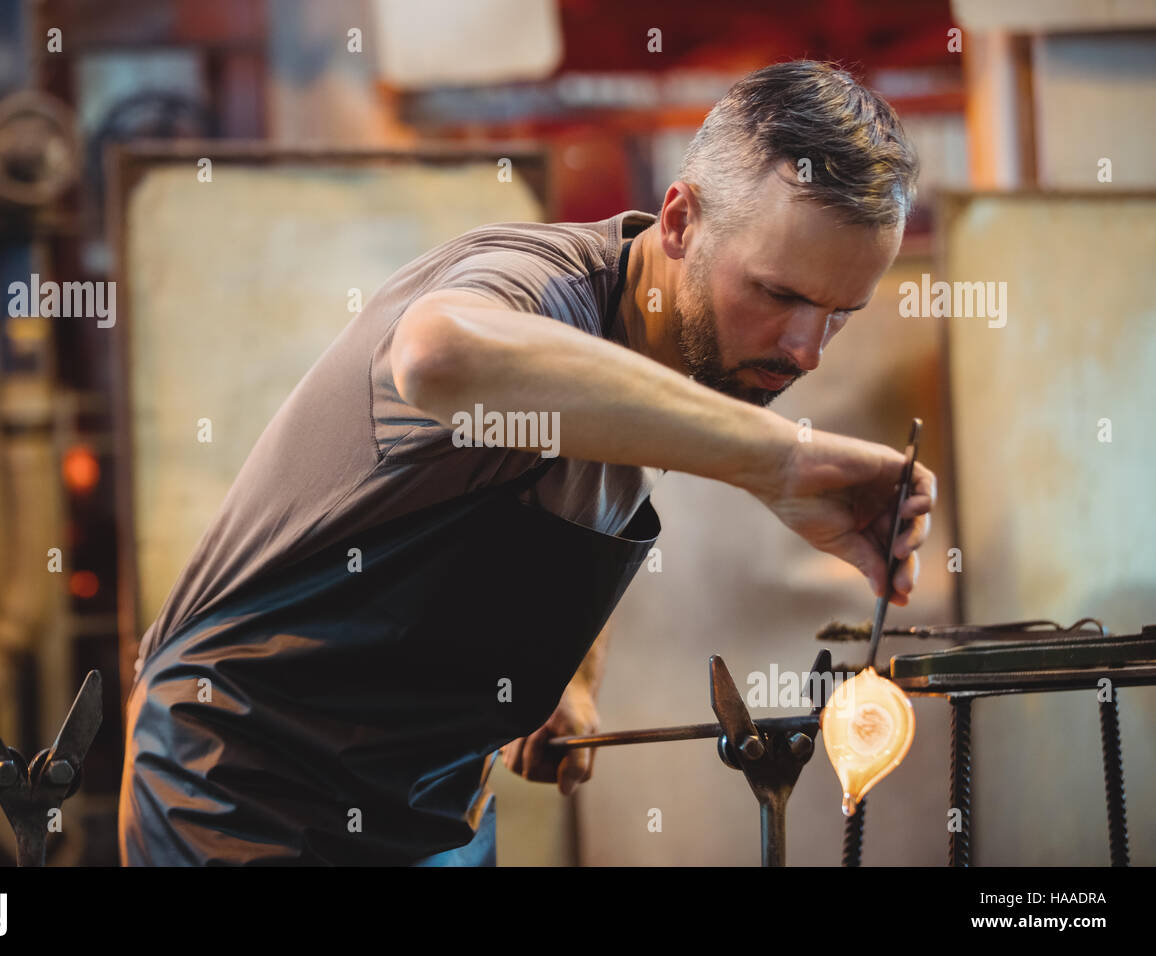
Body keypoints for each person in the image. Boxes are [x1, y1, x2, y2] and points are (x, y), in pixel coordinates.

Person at [118, 60, 937, 866]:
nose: (808, 350)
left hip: (433, 803)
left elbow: (575, 505)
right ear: (681, 223)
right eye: (779, 294)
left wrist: (571, 684)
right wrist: (776, 464)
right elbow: (439, 356)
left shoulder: (668, 358)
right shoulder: (543, 288)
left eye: (841, 314)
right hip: (244, 787)